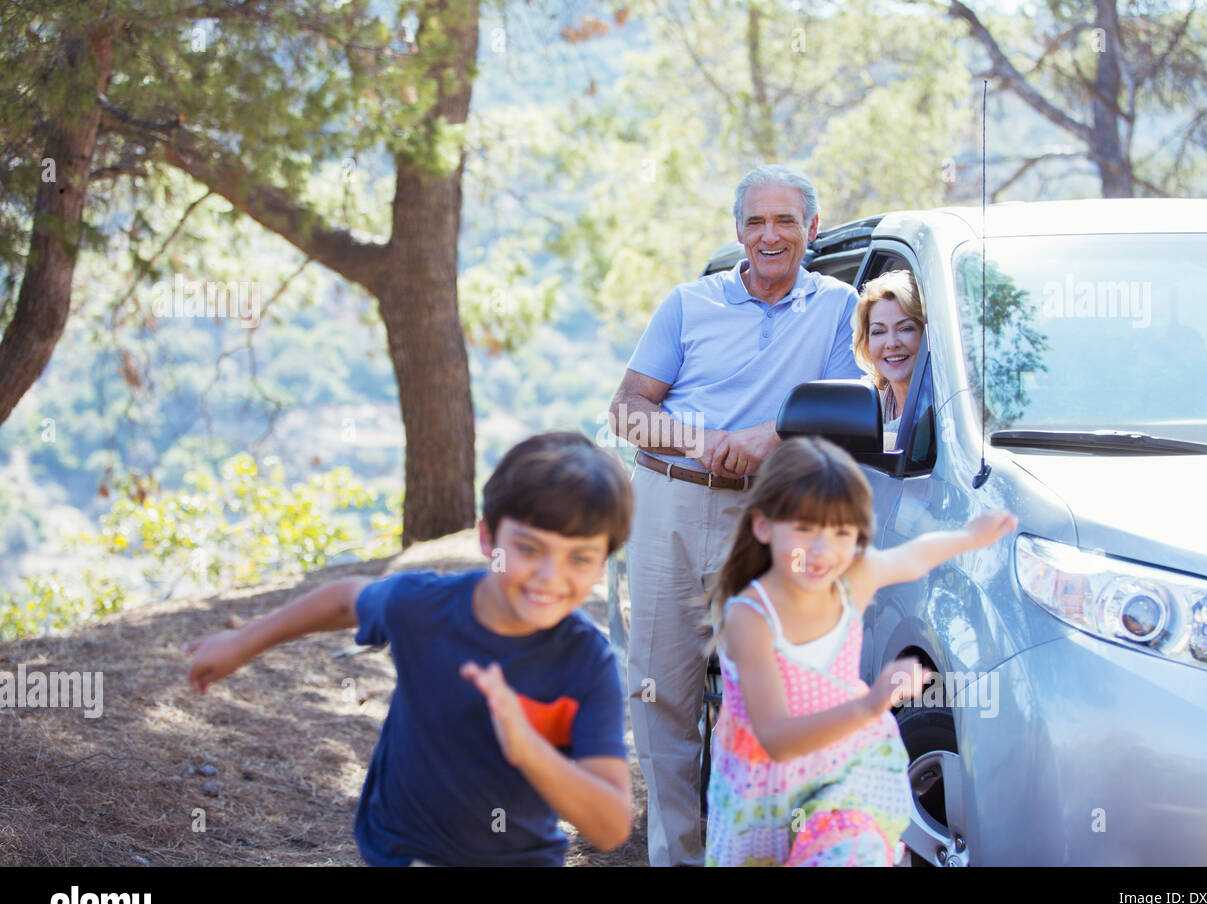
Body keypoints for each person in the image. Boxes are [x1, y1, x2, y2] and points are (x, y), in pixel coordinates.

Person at [184, 432, 635, 866]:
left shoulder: (588, 664)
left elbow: (611, 827)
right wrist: (241, 644)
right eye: (530, 548)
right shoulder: (424, 606)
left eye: (579, 557)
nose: (550, 576)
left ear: (601, 565)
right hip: (397, 852)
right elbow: (345, 599)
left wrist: (529, 751)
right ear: (487, 538)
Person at [609, 164, 865, 867]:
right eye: (756, 221)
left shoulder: (841, 308)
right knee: (661, 691)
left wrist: (770, 438)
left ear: (812, 229)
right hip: (672, 502)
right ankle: (676, 857)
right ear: (738, 231)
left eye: (786, 220)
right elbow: (626, 409)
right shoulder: (689, 304)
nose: (770, 234)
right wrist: (698, 440)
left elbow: (854, 408)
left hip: (773, 515)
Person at [704, 436, 1016, 866]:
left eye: (841, 532)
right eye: (805, 528)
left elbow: (912, 557)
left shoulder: (853, 576)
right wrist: (872, 702)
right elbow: (776, 738)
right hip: (764, 792)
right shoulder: (751, 617)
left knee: (850, 854)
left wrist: (967, 537)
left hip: (840, 775)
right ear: (762, 525)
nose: (822, 550)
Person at [853, 269, 927, 422]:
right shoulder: (863, 411)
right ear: (866, 341)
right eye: (879, 331)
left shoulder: (949, 412)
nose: (892, 344)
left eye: (905, 328)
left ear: (926, 334)